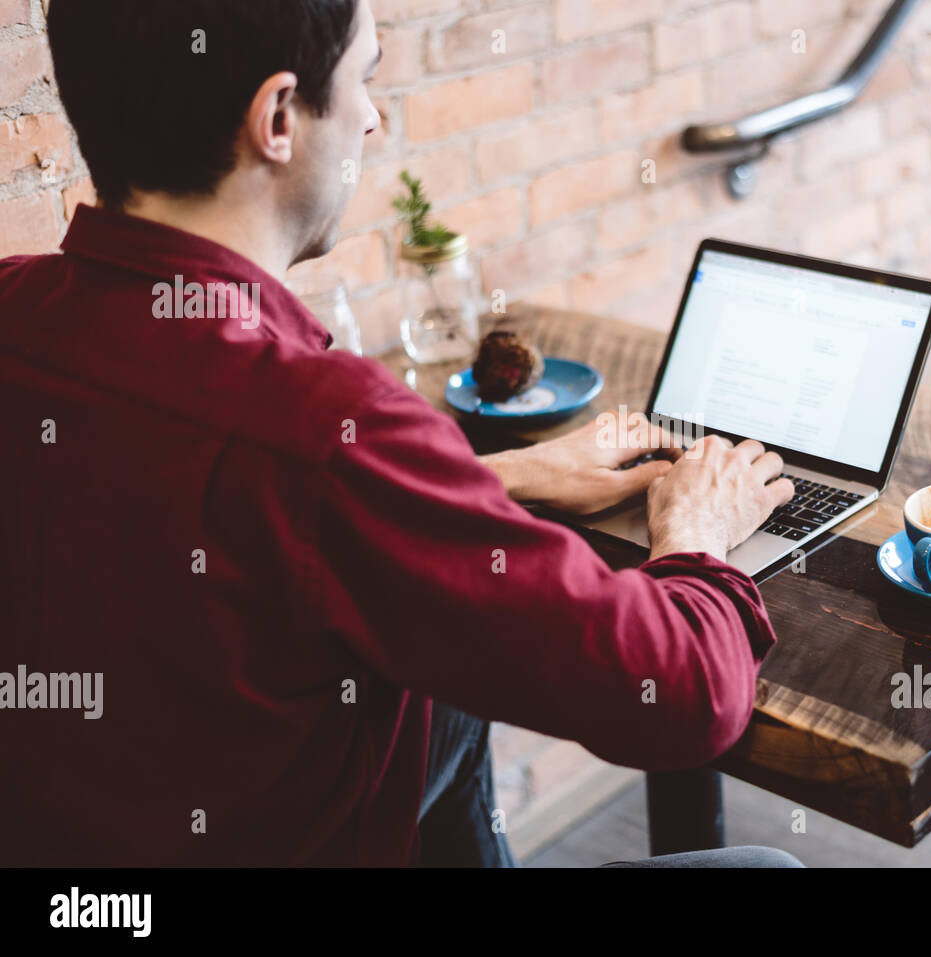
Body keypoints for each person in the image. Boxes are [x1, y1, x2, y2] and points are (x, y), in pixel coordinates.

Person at [0, 0, 800, 868]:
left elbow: (255, 514)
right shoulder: (318, 426)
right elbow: (681, 696)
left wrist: (504, 476)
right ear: (277, 119)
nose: (372, 117)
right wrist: (696, 531)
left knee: (441, 704)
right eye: (365, 77)